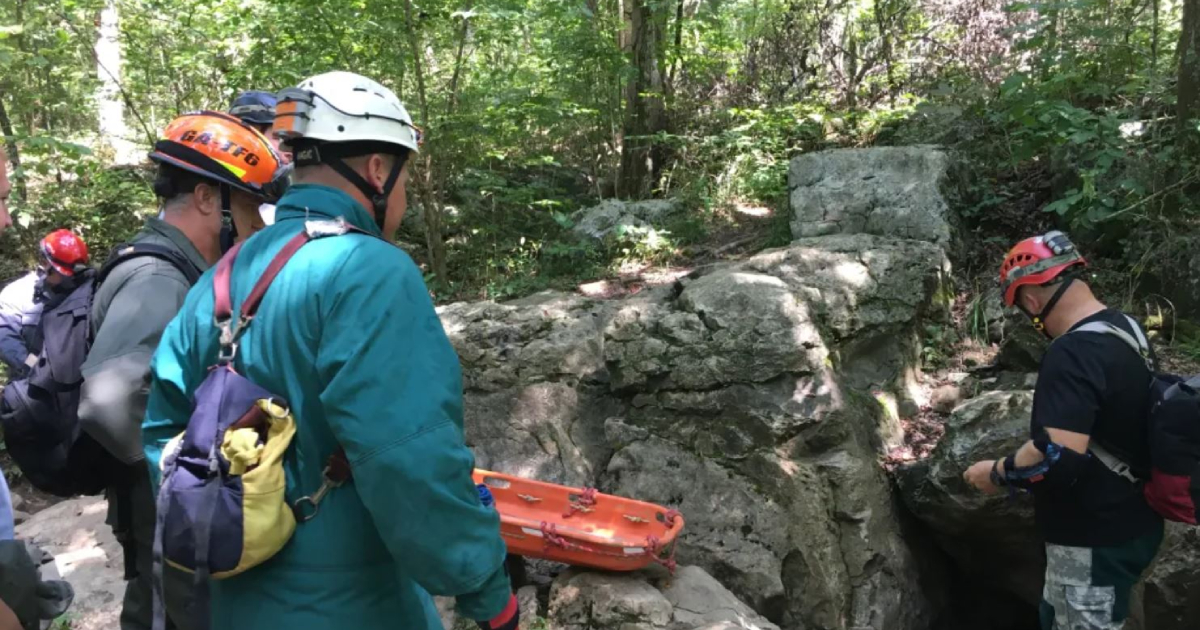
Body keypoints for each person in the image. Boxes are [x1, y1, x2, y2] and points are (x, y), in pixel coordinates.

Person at [143, 71, 518, 630]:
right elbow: (409, 455)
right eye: (407, 179)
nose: (406, 198)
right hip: (355, 602)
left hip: (232, 602)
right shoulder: (370, 271)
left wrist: (233, 525)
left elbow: (163, 437)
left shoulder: (219, 278)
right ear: (377, 171)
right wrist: (486, 590)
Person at [78, 111, 281, 630]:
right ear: (208, 199)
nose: (259, 221)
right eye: (249, 204)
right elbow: (109, 400)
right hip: (166, 507)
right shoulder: (158, 279)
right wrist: (188, 463)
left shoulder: (186, 269)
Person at [963, 231, 1163, 630]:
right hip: (1136, 521)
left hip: (1092, 538)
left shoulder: (1071, 352)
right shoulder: (1127, 329)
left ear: (1032, 300)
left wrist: (996, 472)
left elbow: (1057, 460)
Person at [0, 271, 38, 379]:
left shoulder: (84, 288)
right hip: (30, 384)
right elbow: (7, 340)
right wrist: (36, 367)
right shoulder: (17, 291)